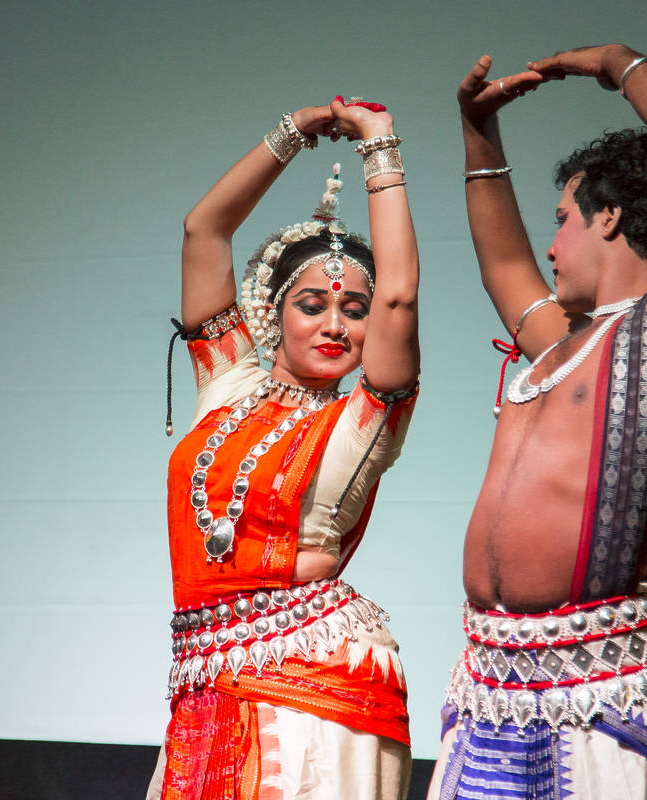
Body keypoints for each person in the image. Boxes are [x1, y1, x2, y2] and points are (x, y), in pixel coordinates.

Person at [428, 45, 647, 799]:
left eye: (562, 218)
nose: (548, 244)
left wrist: (616, 62)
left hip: (606, 699)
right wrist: (478, 130)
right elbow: (503, 265)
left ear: (609, 214)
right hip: (489, 687)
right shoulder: (559, 345)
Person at [149, 98, 421, 800]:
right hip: (208, 680)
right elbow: (203, 229)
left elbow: (399, 300)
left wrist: (379, 149)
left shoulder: (365, 418)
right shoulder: (227, 379)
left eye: (353, 311)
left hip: (319, 684)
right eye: (314, 305)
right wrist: (293, 131)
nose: (337, 325)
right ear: (273, 310)